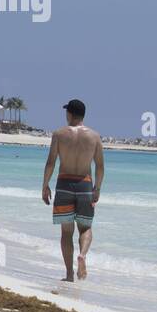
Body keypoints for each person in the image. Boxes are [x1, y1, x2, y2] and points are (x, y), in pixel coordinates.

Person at [41, 99, 104, 282]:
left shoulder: (59, 134)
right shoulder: (94, 136)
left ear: (70, 113)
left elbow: (51, 162)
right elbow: (100, 166)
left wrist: (45, 185)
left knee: (66, 233)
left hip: (64, 185)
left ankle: (69, 274)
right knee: (85, 227)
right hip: (85, 184)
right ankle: (82, 255)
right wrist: (97, 188)